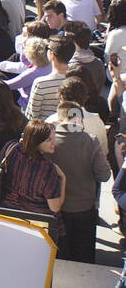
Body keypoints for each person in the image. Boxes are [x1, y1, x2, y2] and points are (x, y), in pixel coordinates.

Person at [51, 101, 110, 262]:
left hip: (56, 208)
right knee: (83, 257)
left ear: (59, 118)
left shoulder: (49, 141)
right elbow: (104, 175)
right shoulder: (91, 141)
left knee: (59, 259)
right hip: (84, 208)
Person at [0, 120, 66, 216]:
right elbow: (55, 208)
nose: (54, 143)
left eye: (54, 137)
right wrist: (63, 178)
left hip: (8, 215)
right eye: (49, 140)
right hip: (36, 222)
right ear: (36, 141)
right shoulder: (47, 169)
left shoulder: (11, 149)